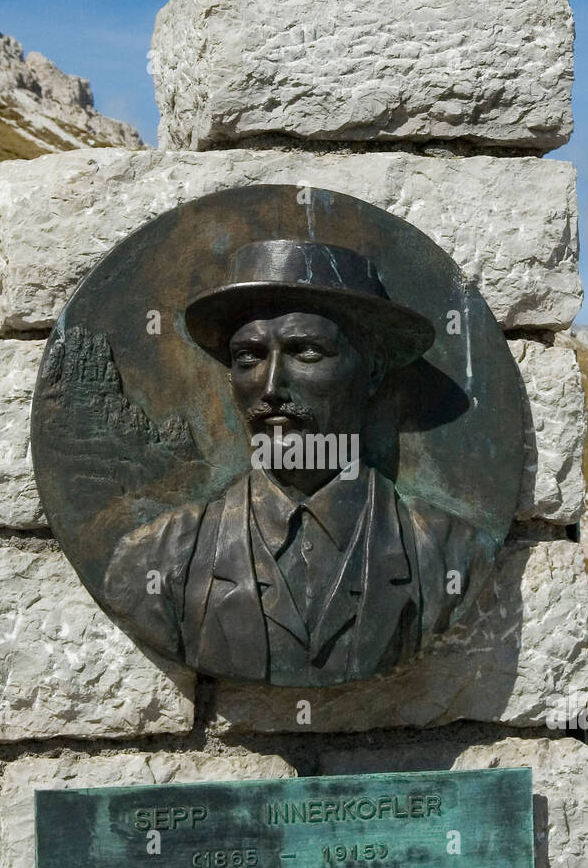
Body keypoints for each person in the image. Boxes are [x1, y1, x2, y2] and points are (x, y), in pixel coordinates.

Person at [104, 239, 496, 686]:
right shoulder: (156, 559)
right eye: (248, 357)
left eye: (306, 352)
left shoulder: (452, 555)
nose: (271, 386)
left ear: (372, 371)